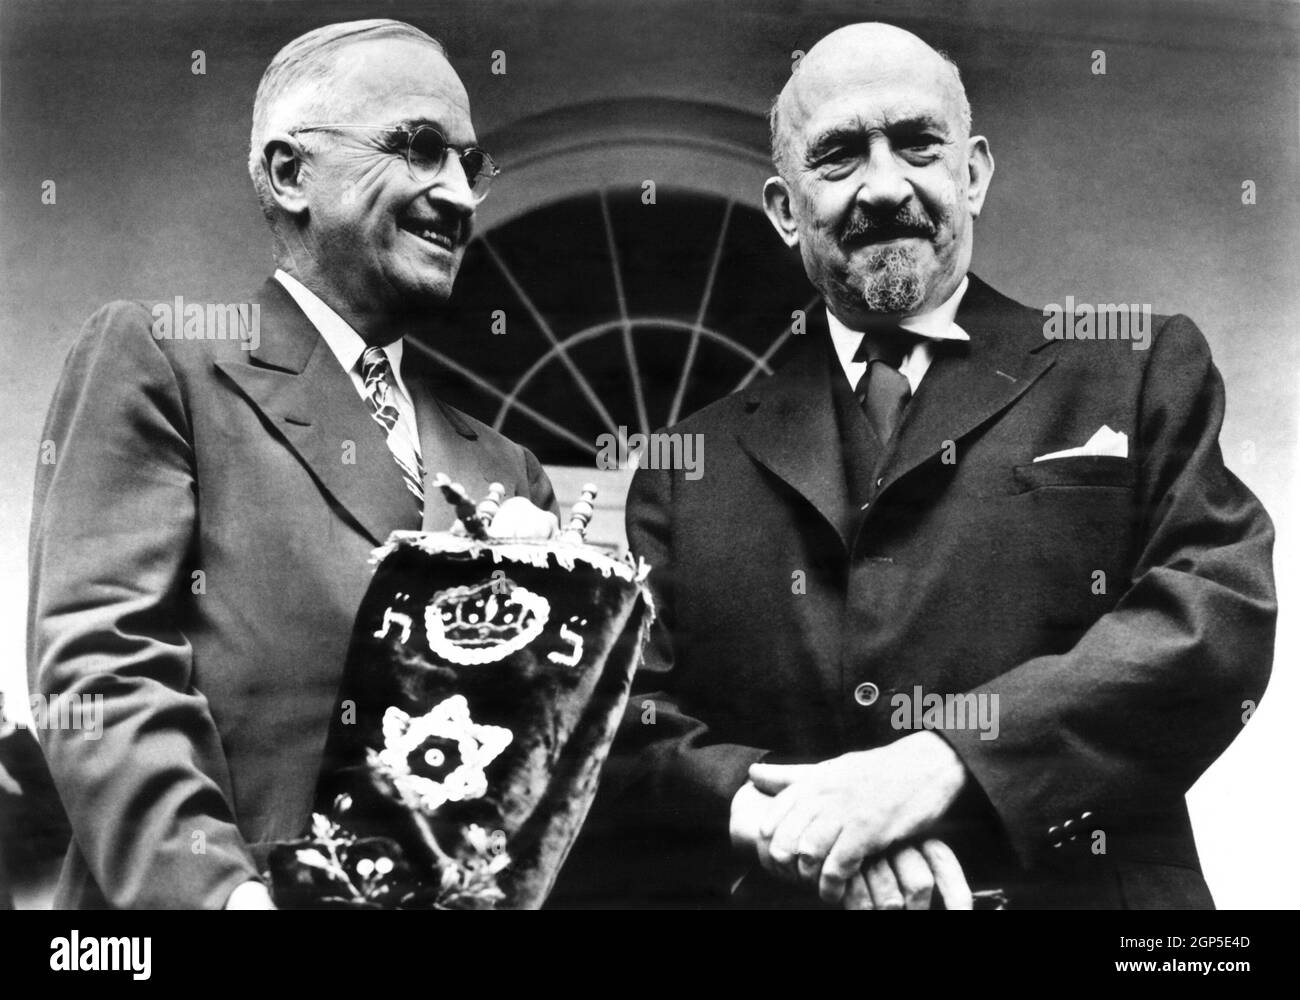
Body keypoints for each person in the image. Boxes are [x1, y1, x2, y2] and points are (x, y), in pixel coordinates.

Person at [558, 22, 1275, 909]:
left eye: (916, 144)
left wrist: (948, 765)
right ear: (787, 209)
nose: (885, 185)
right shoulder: (688, 466)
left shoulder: (1133, 365)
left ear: (971, 173)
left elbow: (1214, 616)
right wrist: (801, 818)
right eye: (840, 156)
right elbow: (625, 725)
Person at [27, 19, 557, 909]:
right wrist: (223, 898)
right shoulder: (165, 363)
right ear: (288, 173)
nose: (460, 196)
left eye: (471, 163)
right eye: (421, 150)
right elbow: (104, 674)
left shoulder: (508, 469)